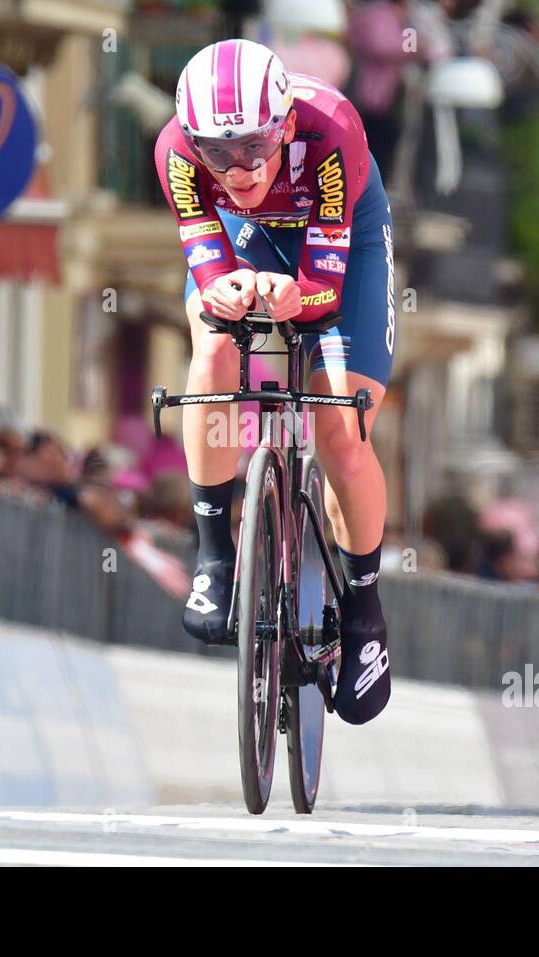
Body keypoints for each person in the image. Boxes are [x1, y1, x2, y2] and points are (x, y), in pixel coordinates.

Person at [154, 39, 395, 724]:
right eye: (216, 152)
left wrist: (292, 296)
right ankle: (213, 554)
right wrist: (226, 291)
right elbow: (206, 260)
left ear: (285, 124)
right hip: (245, 239)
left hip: (342, 243)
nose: (238, 167)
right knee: (210, 355)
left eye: (255, 146)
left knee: (340, 432)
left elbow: (323, 288)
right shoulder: (176, 153)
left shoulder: (332, 130)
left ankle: (366, 612)